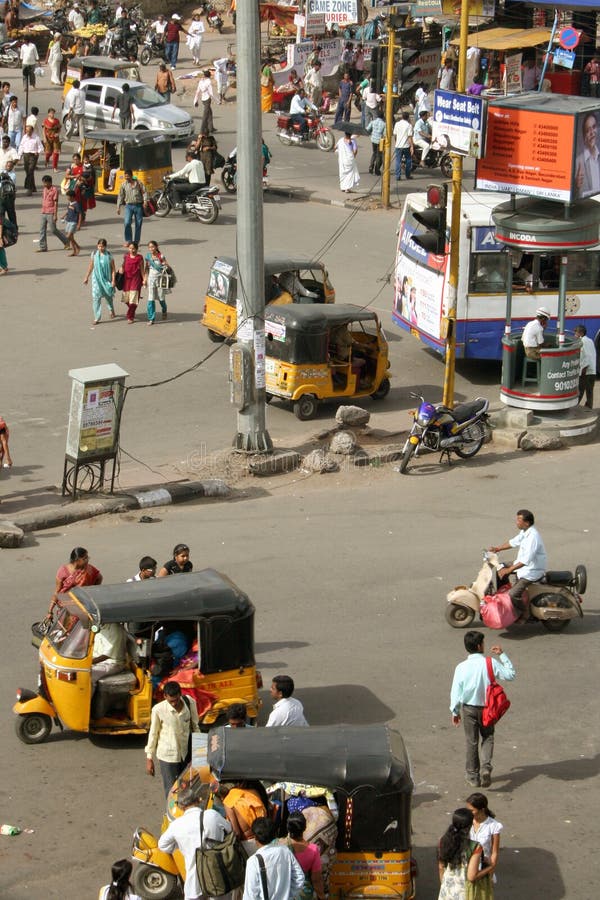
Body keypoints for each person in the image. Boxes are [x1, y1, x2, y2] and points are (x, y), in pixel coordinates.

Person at [450, 631, 516, 787]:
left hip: (469, 710)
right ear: (480, 646)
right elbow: (510, 675)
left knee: (471, 742)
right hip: (488, 708)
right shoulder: (490, 663)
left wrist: (455, 711)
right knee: (488, 737)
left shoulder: (461, 667)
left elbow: (456, 692)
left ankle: (473, 776)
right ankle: (486, 767)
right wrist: (503, 655)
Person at [158, 783, 232, 900]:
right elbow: (229, 829)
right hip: (218, 876)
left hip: (194, 882)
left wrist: (179, 846)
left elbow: (162, 845)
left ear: (181, 807)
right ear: (198, 800)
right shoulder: (212, 815)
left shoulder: (177, 825)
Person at [489, 508, 548, 621]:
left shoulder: (533, 537)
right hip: (522, 565)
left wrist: (509, 570)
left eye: (519, 520)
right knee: (500, 567)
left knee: (513, 594)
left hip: (532, 571)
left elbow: (526, 560)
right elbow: (513, 542)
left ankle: (524, 612)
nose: (517, 522)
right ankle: (504, 599)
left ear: (527, 522)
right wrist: (498, 549)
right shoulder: (525, 532)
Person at [145, 680, 200, 796]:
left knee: (188, 787)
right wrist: (149, 758)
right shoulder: (158, 709)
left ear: (180, 694)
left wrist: (199, 751)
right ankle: (172, 813)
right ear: (165, 696)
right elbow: (153, 733)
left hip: (186, 755)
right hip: (167, 757)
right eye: (171, 701)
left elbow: (195, 727)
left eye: (176, 700)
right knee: (171, 790)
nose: (174, 704)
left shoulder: (190, 703)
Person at [243, 817, 305, 900]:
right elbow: (300, 877)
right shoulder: (285, 850)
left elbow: (250, 895)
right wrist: (289, 895)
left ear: (255, 838)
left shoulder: (253, 861)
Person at [437, 808, 493, 900]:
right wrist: (491, 866)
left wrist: (444, 884)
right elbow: (471, 877)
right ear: (470, 825)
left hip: (447, 889)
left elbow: (441, 867)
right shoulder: (475, 846)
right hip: (464, 893)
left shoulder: (443, 841)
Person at [279, 812, 327, 900]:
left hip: (283, 893)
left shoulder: (279, 845)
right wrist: (321, 896)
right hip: (304, 895)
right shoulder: (313, 850)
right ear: (304, 827)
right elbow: (316, 879)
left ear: (288, 828)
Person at [465, 792, 502, 885]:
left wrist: (491, 871)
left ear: (482, 809)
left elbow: (494, 852)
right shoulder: (466, 821)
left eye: (472, 810)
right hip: (466, 863)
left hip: (482, 865)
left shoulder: (493, 826)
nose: (469, 813)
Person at [51, 547, 102, 613]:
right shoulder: (63, 571)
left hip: (83, 603)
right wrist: (50, 611)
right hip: (66, 605)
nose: (87, 560)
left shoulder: (89, 569)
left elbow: (99, 578)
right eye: (84, 559)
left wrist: (91, 590)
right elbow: (57, 592)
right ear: (77, 560)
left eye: (87, 558)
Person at [83, 237, 117, 325]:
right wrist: (86, 277)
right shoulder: (94, 254)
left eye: (102, 247)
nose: (100, 248)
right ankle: (97, 317)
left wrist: (113, 280)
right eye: (99, 246)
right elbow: (91, 266)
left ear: (105, 247)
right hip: (96, 280)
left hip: (106, 279)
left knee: (108, 296)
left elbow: (113, 269)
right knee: (96, 298)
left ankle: (111, 310)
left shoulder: (109, 256)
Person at [37, 175, 68, 253]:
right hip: (43, 211)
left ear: (49, 182)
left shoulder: (54, 190)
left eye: (45, 183)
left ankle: (66, 242)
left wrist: (55, 214)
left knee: (53, 230)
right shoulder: (44, 189)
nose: (44, 184)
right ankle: (43, 247)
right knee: (42, 230)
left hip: (51, 212)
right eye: (43, 183)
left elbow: (56, 202)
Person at [117, 169, 148, 246]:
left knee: (138, 224)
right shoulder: (123, 185)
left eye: (127, 176)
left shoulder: (139, 183)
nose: (126, 177)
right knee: (127, 223)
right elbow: (120, 196)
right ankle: (128, 240)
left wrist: (145, 201)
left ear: (131, 175)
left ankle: (136, 241)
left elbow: (144, 192)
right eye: (125, 176)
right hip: (128, 206)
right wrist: (118, 206)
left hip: (138, 206)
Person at [119, 240, 145, 323]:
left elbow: (142, 269)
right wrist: (121, 269)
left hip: (136, 280)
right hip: (127, 280)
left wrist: (144, 279)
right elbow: (123, 265)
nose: (131, 250)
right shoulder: (126, 256)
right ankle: (132, 310)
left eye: (133, 249)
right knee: (126, 300)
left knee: (133, 299)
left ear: (137, 249)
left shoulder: (139, 258)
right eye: (130, 248)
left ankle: (130, 316)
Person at [144, 239, 169, 324]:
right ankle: (151, 318)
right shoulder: (148, 257)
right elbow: (146, 269)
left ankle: (164, 310)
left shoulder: (161, 256)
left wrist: (164, 266)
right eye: (149, 247)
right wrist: (145, 279)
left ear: (156, 247)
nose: (151, 249)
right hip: (151, 280)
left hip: (160, 280)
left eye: (153, 247)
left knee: (161, 298)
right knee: (150, 299)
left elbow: (167, 265)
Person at [576, 112, 600, 196]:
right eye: (587, 130)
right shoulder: (578, 162)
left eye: (593, 127)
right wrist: (576, 187)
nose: (591, 132)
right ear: (584, 136)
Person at [574, 324, 596, 408]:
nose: (575, 335)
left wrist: (583, 369)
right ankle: (589, 407)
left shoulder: (582, 341)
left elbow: (586, 356)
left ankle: (575, 406)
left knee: (580, 390)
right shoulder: (590, 340)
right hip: (592, 370)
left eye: (575, 332)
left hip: (586, 371)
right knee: (589, 391)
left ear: (580, 333)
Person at [18, 124, 43, 194]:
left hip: (33, 156)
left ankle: (29, 188)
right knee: (28, 171)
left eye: (29, 131)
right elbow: (21, 146)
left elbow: (41, 147)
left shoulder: (36, 137)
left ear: (32, 131)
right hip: (26, 155)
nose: (27, 132)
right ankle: (33, 187)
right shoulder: (24, 137)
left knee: (30, 170)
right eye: (26, 131)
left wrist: (38, 152)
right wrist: (19, 156)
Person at [393, 111, 413, 180]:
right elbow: (410, 137)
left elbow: (395, 135)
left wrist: (396, 142)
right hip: (406, 146)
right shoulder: (409, 125)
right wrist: (412, 147)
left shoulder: (397, 124)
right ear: (408, 118)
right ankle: (408, 175)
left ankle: (398, 176)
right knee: (408, 160)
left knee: (398, 161)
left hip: (398, 145)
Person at [366, 107, 386, 176]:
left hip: (373, 140)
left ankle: (371, 166)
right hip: (380, 141)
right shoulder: (384, 124)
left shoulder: (373, 122)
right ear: (383, 116)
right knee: (379, 155)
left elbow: (367, 129)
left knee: (374, 153)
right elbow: (385, 134)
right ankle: (377, 169)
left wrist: (372, 132)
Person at [193, 71, 215, 135]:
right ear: (209, 76)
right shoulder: (209, 82)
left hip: (203, 99)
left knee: (210, 112)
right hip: (207, 99)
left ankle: (211, 128)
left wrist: (195, 101)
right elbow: (211, 93)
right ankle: (202, 131)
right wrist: (218, 101)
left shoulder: (201, 81)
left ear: (204, 75)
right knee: (205, 116)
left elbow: (197, 92)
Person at [62, 189, 82, 256]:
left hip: (73, 222)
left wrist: (79, 224)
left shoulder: (76, 205)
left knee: (68, 236)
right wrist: (64, 215)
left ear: (72, 197)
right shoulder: (69, 203)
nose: (67, 198)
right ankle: (75, 250)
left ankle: (76, 247)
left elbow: (80, 214)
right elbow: (68, 211)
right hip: (68, 221)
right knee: (71, 238)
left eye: (68, 196)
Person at [42, 107, 61, 172]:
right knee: (48, 153)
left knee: (56, 153)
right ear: (48, 114)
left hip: (55, 139)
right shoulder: (45, 121)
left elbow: (59, 128)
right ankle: (47, 160)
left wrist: (58, 133)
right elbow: (44, 129)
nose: (52, 114)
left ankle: (55, 167)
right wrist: (44, 138)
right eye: (51, 113)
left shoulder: (57, 121)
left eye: (53, 113)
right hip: (48, 138)